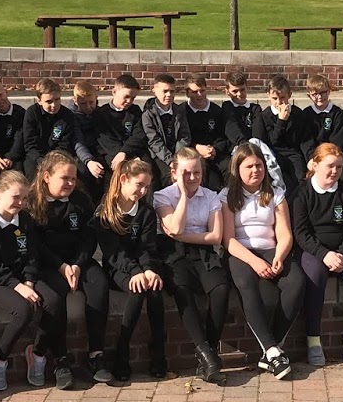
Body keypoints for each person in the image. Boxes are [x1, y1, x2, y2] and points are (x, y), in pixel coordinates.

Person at [27, 151, 111, 388]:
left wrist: (77, 264)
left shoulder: (80, 200)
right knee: (56, 296)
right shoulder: (33, 203)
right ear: (46, 177)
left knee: (99, 284)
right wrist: (61, 266)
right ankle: (60, 359)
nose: (71, 183)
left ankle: (96, 354)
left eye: (73, 179)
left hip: (77, 261)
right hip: (49, 264)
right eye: (65, 178)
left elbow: (88, 237)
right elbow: (36, 245)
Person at [222, 144, 303, 380]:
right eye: (249, 166)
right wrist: (255, 262)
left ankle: (271, 349)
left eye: (259, 165)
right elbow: (228, 240)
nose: (256, 170)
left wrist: (279, 256)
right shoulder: (227, 196)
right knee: (246, 283)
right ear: (237, 169)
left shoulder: (276, 194)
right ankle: (272, 350)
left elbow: (285, 234)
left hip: (270, 249)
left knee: (296, 281)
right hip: (241, 252)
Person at [291, 142, 343, 367]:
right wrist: (323, 253)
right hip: (313, 250)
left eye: (339, 166)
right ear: (315, 165)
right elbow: (301, 232)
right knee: (315, 276)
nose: (335, 171)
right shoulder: (302, 193)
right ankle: (313, 340)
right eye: (329, 166)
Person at [0, 169, 56, 392]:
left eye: (24, 198)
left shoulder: (25, 220)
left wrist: (29, 281)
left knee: (53, 302)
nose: (20, 202)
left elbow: (32, 254)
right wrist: (17, 287)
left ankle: (37, 354)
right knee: (23, 310)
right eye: (15, 197)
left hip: (22, 277)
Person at [154, 146, 230, 384]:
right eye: (186, 173)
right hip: (174, 255)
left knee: (221, 289)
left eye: (197, 172)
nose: (193, 178)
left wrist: (180, 235)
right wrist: (184, 197)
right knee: (182, 290)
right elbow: (174, 226)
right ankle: (206, 354)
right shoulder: (163, 196)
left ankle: (209, 353)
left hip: (203, 254)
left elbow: (215, 236)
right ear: (174, 172)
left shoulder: (211, 196)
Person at [93, 157, 170, 385]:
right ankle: (121, 352)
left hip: (140, 265)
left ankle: (158, 350)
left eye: (147, 186)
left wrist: (148, 270)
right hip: (118, 268)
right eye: (139, 185)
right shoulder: (104, 212)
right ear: (124, 180)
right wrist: (136, 271)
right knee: (137, 291)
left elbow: (147, 247)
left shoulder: (146, 212)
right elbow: (113, 253)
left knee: (155, 288)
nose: (143, 190)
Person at [256, 74, 309, 191]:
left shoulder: (298, 114)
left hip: (294, 155)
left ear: (289, 95)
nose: (279, 102)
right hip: (274, 155)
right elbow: (271, 142)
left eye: (283, 98)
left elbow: (304, 140)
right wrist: (281, 121)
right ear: (268, 95)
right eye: (275, 98)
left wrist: (310, 159)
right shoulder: (263, 117)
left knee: (300, 181)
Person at [93, 74, 149, 181]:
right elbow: (105, 140)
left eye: (133, 98)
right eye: (126, 97)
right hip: (112, 152)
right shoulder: (101, 114)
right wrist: (121, 154)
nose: (129, 101)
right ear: (114, 92)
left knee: (147, 168)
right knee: (119, 172)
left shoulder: (135, 111)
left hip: (132, 150)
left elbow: (139, 134)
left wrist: (125, 152)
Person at [181, 74, 231, 191]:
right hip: (194, 153)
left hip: (215, 153)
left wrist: (215, 149)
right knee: (207, 177)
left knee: (230, 167)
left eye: (202, 90)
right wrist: (196, 147)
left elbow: (223, 136)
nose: (199, 95)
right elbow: (182, 137)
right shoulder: (182, 112)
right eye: (195, 92)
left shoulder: (217, 111)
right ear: (187, 93)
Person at [142, 73, 191, 189]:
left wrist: (177, 157)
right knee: (167, 176)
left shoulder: (179, 111)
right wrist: (170, 160)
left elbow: (184, 136)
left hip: (177, 154)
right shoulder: (148, 114)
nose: (169, 95)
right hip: (157, 155)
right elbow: (153, 140)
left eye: (172, 91)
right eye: (165, 91)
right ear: (154, 91)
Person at [22, 77, 77, 178]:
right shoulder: (32, 113)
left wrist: (54, 159)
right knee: (31, 172)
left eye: (57, 100)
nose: (54, 105)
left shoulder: (67, 115)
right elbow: (30, 144)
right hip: (36, 157)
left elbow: (65, 143)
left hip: (59, 156)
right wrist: (41, 161)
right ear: (39, 100)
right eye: (49, 101)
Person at [300, 74, 343, 177]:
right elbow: (306, 140)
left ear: (329, 91)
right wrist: (312, 158)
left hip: (332, 156)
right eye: (315, 94)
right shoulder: (306, 114)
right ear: (309, 95)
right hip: (312, 157)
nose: (319, 97)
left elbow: (337, 140)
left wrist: (326, 158)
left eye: (323, 93)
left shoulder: (337, 113)